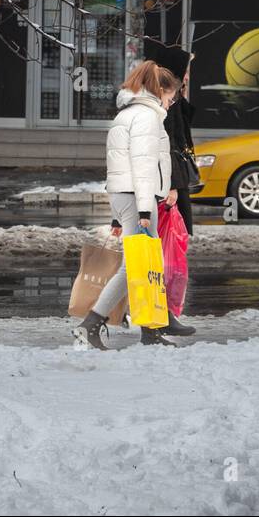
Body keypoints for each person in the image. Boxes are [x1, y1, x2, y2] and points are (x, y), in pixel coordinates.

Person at [73, 60, 179, 350]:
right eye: (171, 96)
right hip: (137, 198)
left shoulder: (128, 114)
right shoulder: (146, 118)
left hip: (126, 196)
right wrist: (145, 210)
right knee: (139, 266)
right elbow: (142, 167)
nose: (172, 102)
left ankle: (149, 329)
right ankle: (93, 324)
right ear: (160, 91)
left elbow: (117, 166)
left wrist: (118, 216)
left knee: (141, 266)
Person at [156, 45, 198, 336]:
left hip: (175, 181)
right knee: (165, 255)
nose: (188, 75)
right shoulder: (166, 105)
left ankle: (161, 314)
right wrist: (171, 186)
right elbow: (166, 144)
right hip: (170, 185)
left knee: (169, 252)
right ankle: (162, 314)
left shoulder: (175, 101)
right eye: (185, 69)